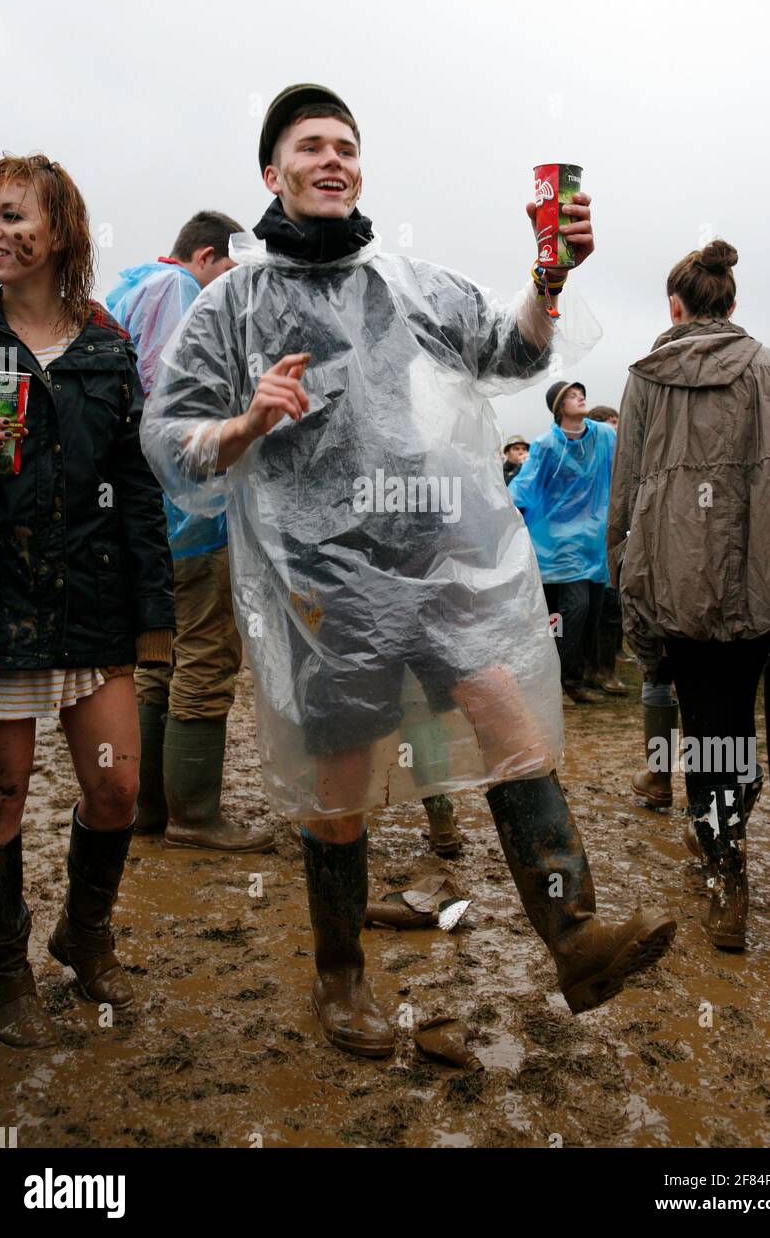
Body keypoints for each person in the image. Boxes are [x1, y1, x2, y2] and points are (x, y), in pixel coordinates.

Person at [142, 83, 676, 1057]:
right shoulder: (235, 302)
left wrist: (549, 273)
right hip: (322, 588)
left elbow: (509, 350)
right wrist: (248, 422)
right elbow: (170, 441)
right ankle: (341, 983)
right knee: (339, 796)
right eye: (310, 146)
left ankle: (574, 937)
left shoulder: (407, 283)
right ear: (273, 172)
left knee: (514, 733)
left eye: (345, 144)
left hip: (430, 561)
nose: (332, 158)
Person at [0, 154, 174, 1048]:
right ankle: (3, 975)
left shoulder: (105, 344)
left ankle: (84, 936)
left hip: (91, 603)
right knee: (0, 800)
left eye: (15, 217)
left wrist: (155, 617)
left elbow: (135, 487)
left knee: (117, 784)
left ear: (60, 232)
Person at [608, 239, 770, 950]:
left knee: (705, 721)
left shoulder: (646, 379)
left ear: (675, 306)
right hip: (757, 586)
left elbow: (626, 491)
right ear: (731, 302)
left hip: (675, 587)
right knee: (732, 721)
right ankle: (725, 842)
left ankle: (725, 867)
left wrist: (629, 574)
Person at [107, 213, 273, 852]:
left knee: (158, 656)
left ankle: (146, 808)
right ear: (206, 255)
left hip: (139, 515)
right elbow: (179, 409)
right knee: (206, 654)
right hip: (189, 511)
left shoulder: (128, 289)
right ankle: (195, 816)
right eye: (229, 275)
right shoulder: (180, 295)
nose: (233, 293)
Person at [509, 380, 616, 704]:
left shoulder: (604, 437)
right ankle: (564, 680)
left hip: (594, 541)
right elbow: (524, 486)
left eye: (581, 392)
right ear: (558, 408)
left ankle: (581, 673)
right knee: (575, 608)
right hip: (558, 544)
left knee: (594, 610)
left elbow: (626, 466)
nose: (580, 396)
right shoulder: (546, 446)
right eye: (571, 395)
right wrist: (507, 515)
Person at [584, 405, 626, 695]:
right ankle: (585, 670)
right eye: (611, 422)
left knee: (611, 609)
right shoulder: (581, 456)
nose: (616, 427)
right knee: (585, 611)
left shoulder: (619, 456)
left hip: (610, 543)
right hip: (582, 548)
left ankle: (606, 670)